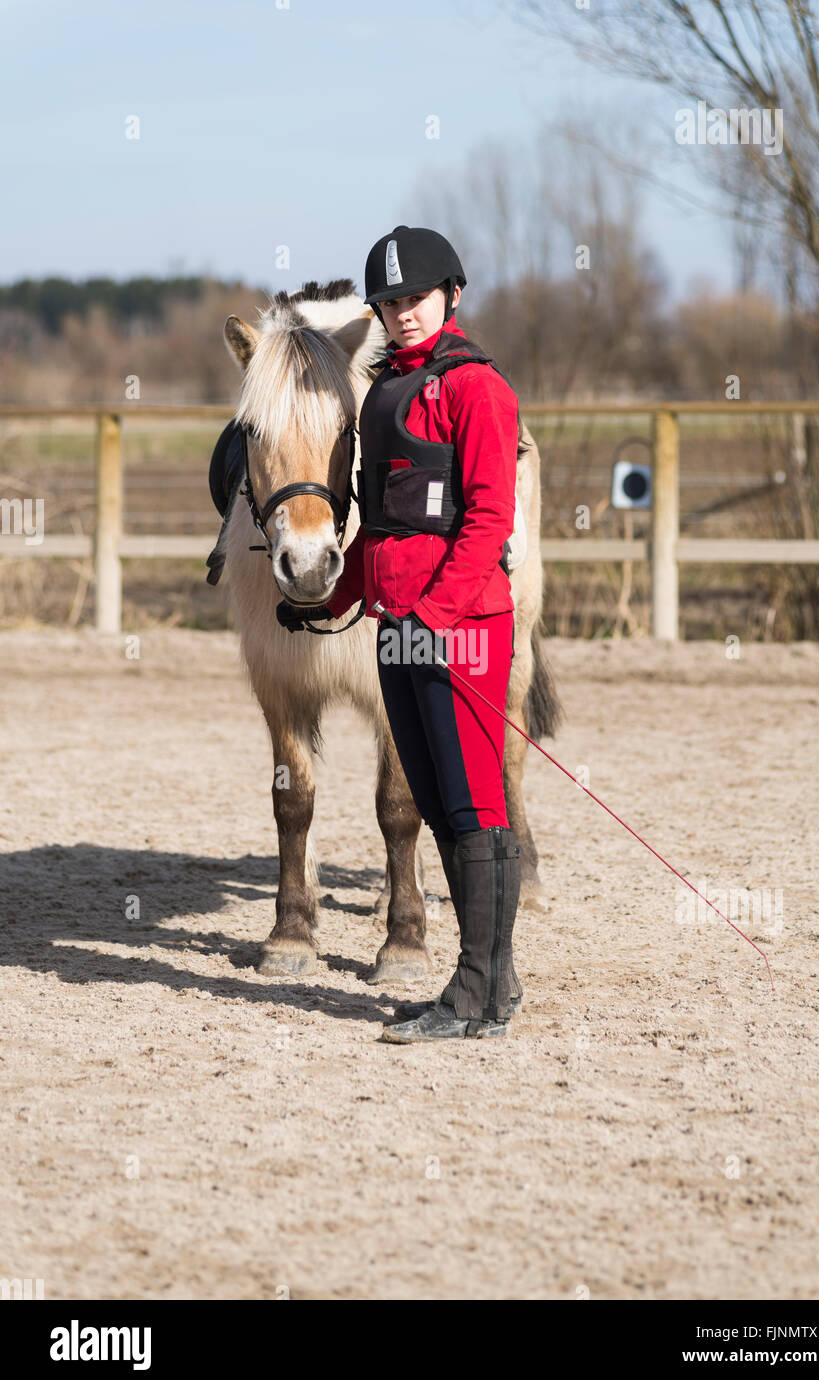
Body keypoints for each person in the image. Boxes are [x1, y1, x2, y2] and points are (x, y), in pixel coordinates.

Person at [326, 225, 523, 1043]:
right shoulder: (382, 391)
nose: (402, 313)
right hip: (395, 626)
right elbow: (382, 523)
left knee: (475, 801)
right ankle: (491, 986)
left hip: (461, 628)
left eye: (415, 298)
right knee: (440, 801)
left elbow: (487, 520)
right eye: (389, 302)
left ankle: (472, 989)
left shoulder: (476, 390)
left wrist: (436, 617)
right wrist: (336, 592)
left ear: (449, 294)